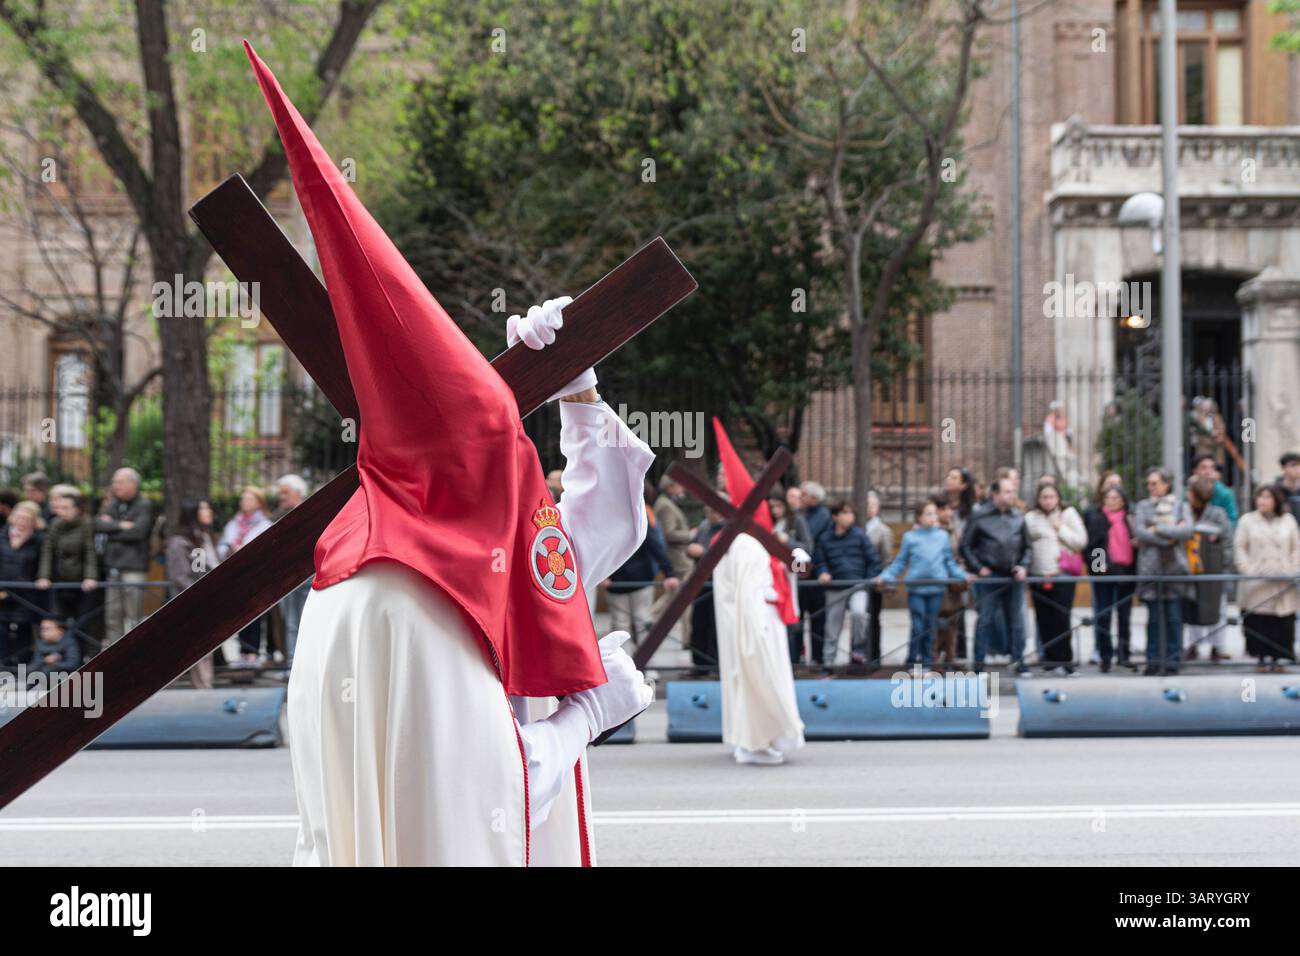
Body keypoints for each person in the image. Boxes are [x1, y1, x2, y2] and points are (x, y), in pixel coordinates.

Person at [245, 42, 653, 866]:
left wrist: (578, 392)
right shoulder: (409, 599)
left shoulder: (400, 545)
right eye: (502, 442)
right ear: (462, 465)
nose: (521, 469)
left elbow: (599, 533)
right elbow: (477, 807)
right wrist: (588, 715)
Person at [710, 419, 805, 765]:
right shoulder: (748, 545)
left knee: (764, 676)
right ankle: (755, 743)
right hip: (759, 622)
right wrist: (754, 637)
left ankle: (762, 739)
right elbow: (747, 596)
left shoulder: (745, 542)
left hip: (765, 619)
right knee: (761, 676)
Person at [878, 499, 967, 669]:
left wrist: (963, 576)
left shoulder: (942, 537)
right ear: (919, 517)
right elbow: (900, 562)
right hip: (917, 589)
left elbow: (949, 562)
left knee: (930, 626)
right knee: (917, 626)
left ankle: (927, 663)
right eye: (928, 513)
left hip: (936, 588)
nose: (933, 517)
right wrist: (885, 576)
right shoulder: (910, 538)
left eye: (934, 513)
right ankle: (912, 661)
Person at [960, 478, 1031, 675]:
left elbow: (1027, 547)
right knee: (985, 620)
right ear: (995, 494)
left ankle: (1019, 661)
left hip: (1013, 577)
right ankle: (979, 664)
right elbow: (965, 546)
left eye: (1013, 492)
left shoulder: (1018, 517)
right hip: (989, 577)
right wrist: (978, 567)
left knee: (1016, 621)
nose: (1012, 496)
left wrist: (1023, 566)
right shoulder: (979, 516)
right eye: (1007, 492)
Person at [1134, 468, 1194, 676]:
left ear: (1166, 484)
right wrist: (1170, 534)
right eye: (1149, 483)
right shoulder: (1142, 506)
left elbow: (1187, 531)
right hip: (1150, 568)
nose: (1151, 487)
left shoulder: (1180, 505)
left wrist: (1157, 529)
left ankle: (1173, 660)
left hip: (1174, 568)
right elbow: (1140, 532)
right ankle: (1153, 660)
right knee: (1154, 619)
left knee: (1173, 617)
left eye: (1155, 483)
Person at [605, 480, 679, 647]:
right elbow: (656, 546)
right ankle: (645, 665)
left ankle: (623, 666)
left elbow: (603, 547)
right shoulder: (643, 515)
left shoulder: (610, 515)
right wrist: (669, 573)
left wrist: (603, 574)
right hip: (639, 576)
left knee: (621, 625)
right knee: (641, 621)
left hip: (617, 577)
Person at [1234, 485, 1300, 673]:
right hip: (1257, 580)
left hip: (1283, 579)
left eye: (1267, 497)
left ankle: (1280, 658)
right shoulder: (1247, 521)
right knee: (1258, 620)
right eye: (1260, 497)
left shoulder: (1288, 520)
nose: (1262, 501)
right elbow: (1240, 547)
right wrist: (1247, 570)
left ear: (1276, 500)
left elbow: (1296, 546)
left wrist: (1293, 568)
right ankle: (1261, 658)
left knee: (1282, 621)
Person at [1024, 482, 1087, 675]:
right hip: (1038, 576)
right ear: (1038, 499)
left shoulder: (1068, 514)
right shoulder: (1030, 517)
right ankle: (1050, 659)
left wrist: (1060, 528)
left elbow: (1081, 541)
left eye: (1052, 496)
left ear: (1058, 498)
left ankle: (1065, 660)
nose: (1048, 500)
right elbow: (1025, 544)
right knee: (1044, 618)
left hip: (1063, 575)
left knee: (1062, 617)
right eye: (1044, 497)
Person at [813, 500, 880, 673]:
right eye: (845, 513)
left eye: (851, 513)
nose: (850, 517)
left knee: (859, 613)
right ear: (835, 517)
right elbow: (819, 560)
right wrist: (822, 572)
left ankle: (858, 648)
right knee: (832, 627)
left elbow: (873, 560)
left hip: (858, 585)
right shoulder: (825, 538)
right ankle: (828, 663)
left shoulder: (860, 536)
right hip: (835, 587)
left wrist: (869, 579)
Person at [93, 467, 153, 645]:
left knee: (133, 613)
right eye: (114, 482)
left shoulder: (144, 504)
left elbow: (138, 532)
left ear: (133, 483)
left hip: (133, 565)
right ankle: (114, 651)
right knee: (113, 614)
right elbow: (97, 524)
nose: (114, 486)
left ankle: (133, 651)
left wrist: (112, 527)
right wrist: (122, 525)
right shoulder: (113, 503)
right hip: (113, 564)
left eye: (119, 482)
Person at [164, 500, 220, 688]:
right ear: (192, 513)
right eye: (203, 508)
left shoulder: (201, 538)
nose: (208, 511)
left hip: (204, 600)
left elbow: (201, 569)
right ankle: (204, 688)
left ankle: (205, 686)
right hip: (191, 603)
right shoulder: (180, 543)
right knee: (199, 647)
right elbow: (180, 576)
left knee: (204, 647)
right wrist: (200, 594)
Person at [35, 489, 98, 651]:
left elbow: (89, 550)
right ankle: (63, 656)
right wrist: (44, 576)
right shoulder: (55, 524)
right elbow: (48, 550)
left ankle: (86, 657)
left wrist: (90, 577)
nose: (60, 511)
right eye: (59, 507)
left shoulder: (86, 523)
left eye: (66, 507)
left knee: (83, 622)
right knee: (59, 620)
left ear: (77, 509)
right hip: (61, 579)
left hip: (81, 581)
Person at [1083, 480, 1136, 671]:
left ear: (1123, 501)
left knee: (1125, 616)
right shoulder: (1099, 519)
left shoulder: (1129, 519)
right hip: (1105, 573)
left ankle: (1124, 654)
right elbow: (1093, 546)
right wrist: (1100, 568)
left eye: (1116, 498)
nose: (1111, 501)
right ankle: (1106, 656)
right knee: (1103, 615)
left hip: (1126, 572)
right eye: (1108, 498)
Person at [219, 486, 275, 664]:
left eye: (249, 499)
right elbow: (222, 546)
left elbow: (266, 550)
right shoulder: (234, 523)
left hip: (256, 576)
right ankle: (242, 653)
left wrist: (244, 550)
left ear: (259, 503)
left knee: (255, 614)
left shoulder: (265, 524)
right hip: (236, 576)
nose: (244, 502)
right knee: (240, 615)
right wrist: (228, 549)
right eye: (243, 499)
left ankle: (252, 653)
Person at [1182, 475, 1234, 663]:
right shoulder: (1185, 512)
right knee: (1191, 606)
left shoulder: (1217, 513)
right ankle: (1193, 645)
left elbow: (1227, 540)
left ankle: (1217, 647)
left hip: (1213, 569)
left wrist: (1225, 564)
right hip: (1191, 568)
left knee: (1216, 608)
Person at [653, 473, 696, 649]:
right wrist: (690, 535)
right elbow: (669, 534)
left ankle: (648, 622)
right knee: (684, 600)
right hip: (679, 561)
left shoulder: (666, 504)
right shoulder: (665, 506)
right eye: (680, 485)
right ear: (671, 486)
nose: (683, 489)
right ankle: (688, 639)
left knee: (675, 598)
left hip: (679, 560)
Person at [272, 474, 312, 663]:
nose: (282, 497)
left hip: (308, 577)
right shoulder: (278, 516)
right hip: (287, 578)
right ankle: (292, 665)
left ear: (298, 492)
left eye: (285, 493)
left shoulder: (312, 511)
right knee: (290, 623)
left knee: (308, 621)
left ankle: (307, 664)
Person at [0, 500, 45, 668]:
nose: (21, 521)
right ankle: (4, 665)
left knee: (24, 630)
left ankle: (24, 666)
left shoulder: (39, 539)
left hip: (26, 592)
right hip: (3, 590)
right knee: (2, 629)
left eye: (26, 518)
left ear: (33, 521)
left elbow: (41, 564)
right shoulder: (2, 535)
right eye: (19, 517)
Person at [771, 492, 813, 664]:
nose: (775, 511)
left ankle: (794, 657)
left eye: (778, 506)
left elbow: (807, 548)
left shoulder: (796, 521)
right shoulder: (767, 522)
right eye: (771, 507)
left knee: (792, 618)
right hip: (771, 576)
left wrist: (788, 540)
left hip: (790, 576)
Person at [931, 494, 967, 666]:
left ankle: (951, 656)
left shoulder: (954, 528)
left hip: (954, 582)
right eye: (944, 509)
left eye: (950, 508)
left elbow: (959, 551)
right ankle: (935, 657)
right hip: (940, 580)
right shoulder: (934, 530)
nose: (948, 513)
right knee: (938, 621)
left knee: (954, 620)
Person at [799, 481, 831, 667]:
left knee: (817, 618)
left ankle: (817, 658)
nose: (800, 499)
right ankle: (800, 656)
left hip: (816, 570)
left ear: (813, 498)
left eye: (803, 495)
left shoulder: (821, 514)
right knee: (799, 617)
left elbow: (808, 538)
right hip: (802, 570)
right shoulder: (802, 514)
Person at [863, 490, 893, 667]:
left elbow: (887, 558)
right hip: (859, 579)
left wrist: (884, 579)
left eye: (872, 505)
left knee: (873, 619)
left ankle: (875, 656)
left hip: (876, 580)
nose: (869, 508)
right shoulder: (858, 527)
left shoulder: (883, 531)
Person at [1191, 454, 1238, 527]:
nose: (1208, 472)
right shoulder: (1190, 491)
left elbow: (1232, 521)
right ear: (1195, 471)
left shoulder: (1225, 493)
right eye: (1203, 467)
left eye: (1212, 468)